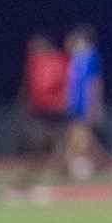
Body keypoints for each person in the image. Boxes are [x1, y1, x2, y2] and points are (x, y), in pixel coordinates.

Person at [19, 33, 71, 186]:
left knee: (60, 145)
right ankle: (31, 177)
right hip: (39, 111)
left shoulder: (59, 59)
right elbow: (28, 85)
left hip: (57, 110)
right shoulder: (34, 62)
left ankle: (63, 178)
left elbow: (66, 84)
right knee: (37, 144)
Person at [64, 24, 104, 181]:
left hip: (85, 103)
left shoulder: (91, 56)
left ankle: (82, 169)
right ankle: (81, 166)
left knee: (82, 136)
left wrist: (95, 105)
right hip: (73, 103)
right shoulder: (75, 57)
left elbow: (95, 83)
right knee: (76, 135)